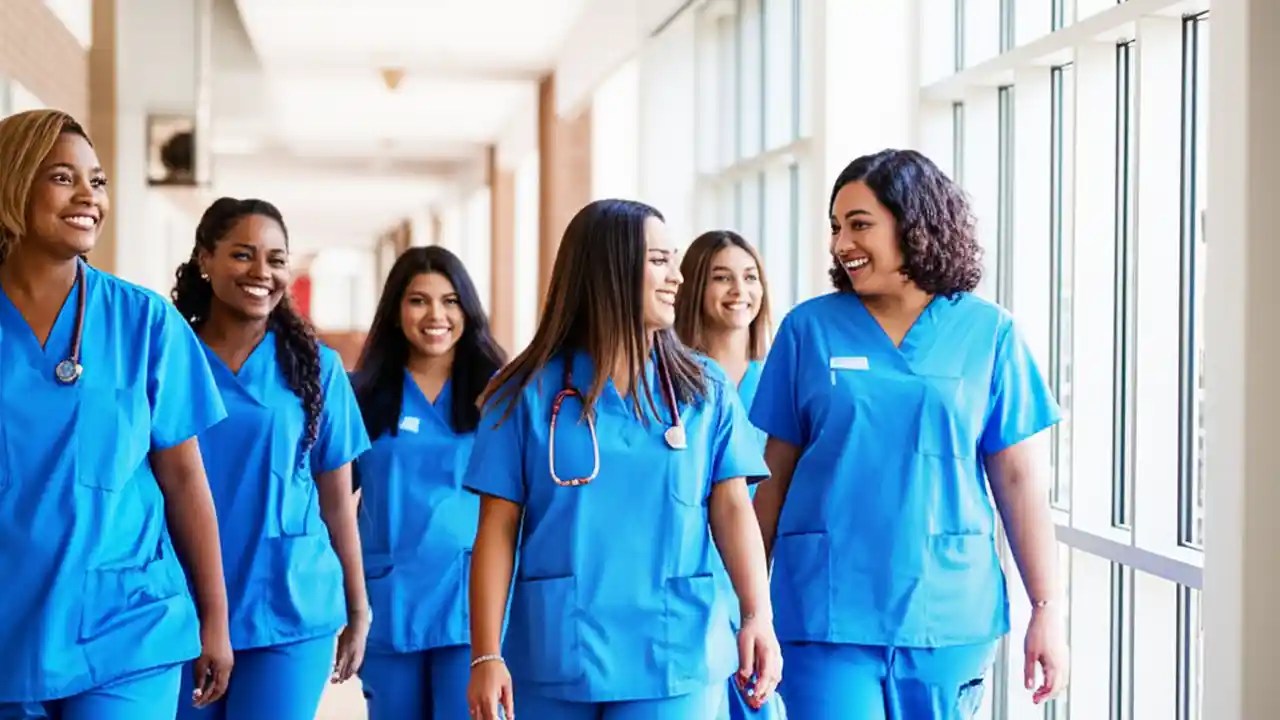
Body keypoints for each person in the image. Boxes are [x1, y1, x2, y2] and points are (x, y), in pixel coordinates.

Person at [749, 149, 1069, 719]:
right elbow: (772, 478)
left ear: (914, 223)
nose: (840, 242)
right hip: (826, 609)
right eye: (835, 227)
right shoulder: (808, 330)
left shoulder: (988, 332)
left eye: (859, 224)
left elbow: (1018, 481)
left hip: (949, 609)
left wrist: (1046, 607)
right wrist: (746, 606)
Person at [464, 199, 782, 720]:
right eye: (659, 260)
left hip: (674, 651)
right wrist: (486, 653)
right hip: (559, 650)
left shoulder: (704, 390)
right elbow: (496, 529)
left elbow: (732, 510)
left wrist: (757, 615)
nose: (677, 277)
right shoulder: (523, 395)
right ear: (608, 268)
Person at [0, 109, 232, 719]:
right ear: (12, 185)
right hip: (9, 619)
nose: (88, 197)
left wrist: (215, 618)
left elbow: (184, 479)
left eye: (97, 181)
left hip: (127, 621)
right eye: (61, 177)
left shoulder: (146, 322)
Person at [170, 197, 372, 720]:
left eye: (277, 259)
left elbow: (336, 503)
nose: (262, 272)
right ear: (204, 260)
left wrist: (358, 606)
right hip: (183, 605)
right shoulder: (169, 358)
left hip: (289, 603)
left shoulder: (317, 369)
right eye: (242, 255)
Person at [350, 246, 507, 719]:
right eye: (419, 300)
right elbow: (333, 500)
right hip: (391, 600)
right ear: (396, 311)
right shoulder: (363, 394)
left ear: (468, 310)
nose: (435, 315)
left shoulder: (501, 393)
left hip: (471, 607)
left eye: (450, 300)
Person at [674, 230, 784, 720]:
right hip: (692, 577)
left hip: (767, 578)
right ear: (693, 287)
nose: (740, 290)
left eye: (750, 277)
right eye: (722, 278)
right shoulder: (670, 382)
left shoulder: (780, 378)